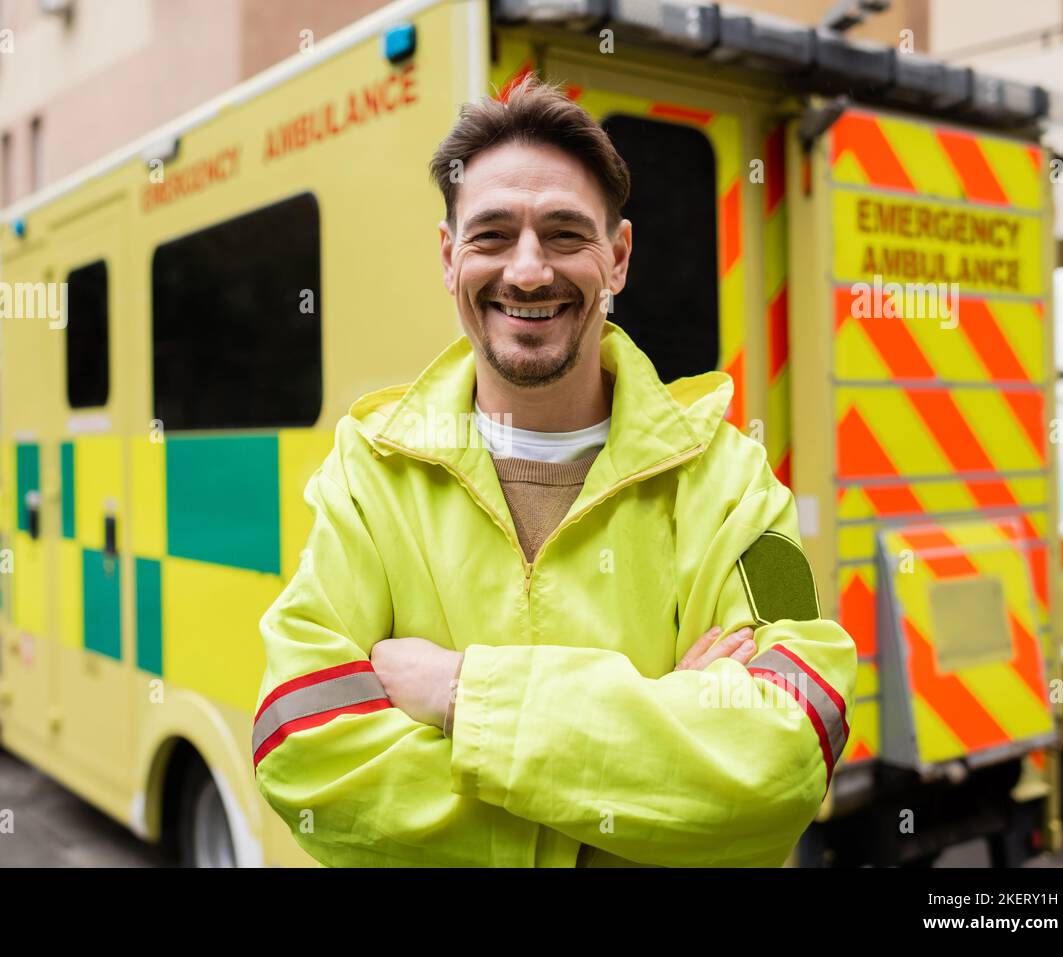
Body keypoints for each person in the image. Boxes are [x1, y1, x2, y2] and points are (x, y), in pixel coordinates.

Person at [251, 75, 857, 867]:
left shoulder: (737, 482)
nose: (529, 272)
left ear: (619, 258)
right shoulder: (366, 475)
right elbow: (296, 745)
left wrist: (462, 696)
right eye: (492, 234)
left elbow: (796, 735)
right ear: (448, 256)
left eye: (565, 234)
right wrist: (643, 775)